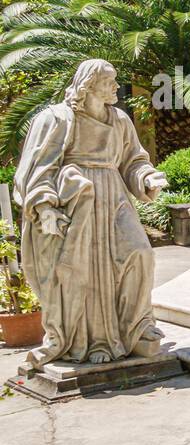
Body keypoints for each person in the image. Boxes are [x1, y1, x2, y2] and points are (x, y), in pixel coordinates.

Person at [14, 58, 169, 367]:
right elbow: (38, 168)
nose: (115, 86)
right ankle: (88, 342)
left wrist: (147, 178)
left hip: (114, 197)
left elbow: (133, 160)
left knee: (140, 254)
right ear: (89, 85)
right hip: (78, 201)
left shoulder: (121, 119)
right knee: (81, 272)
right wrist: (44, 207)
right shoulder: (58, 119)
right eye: (109, 81)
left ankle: (135, 330)